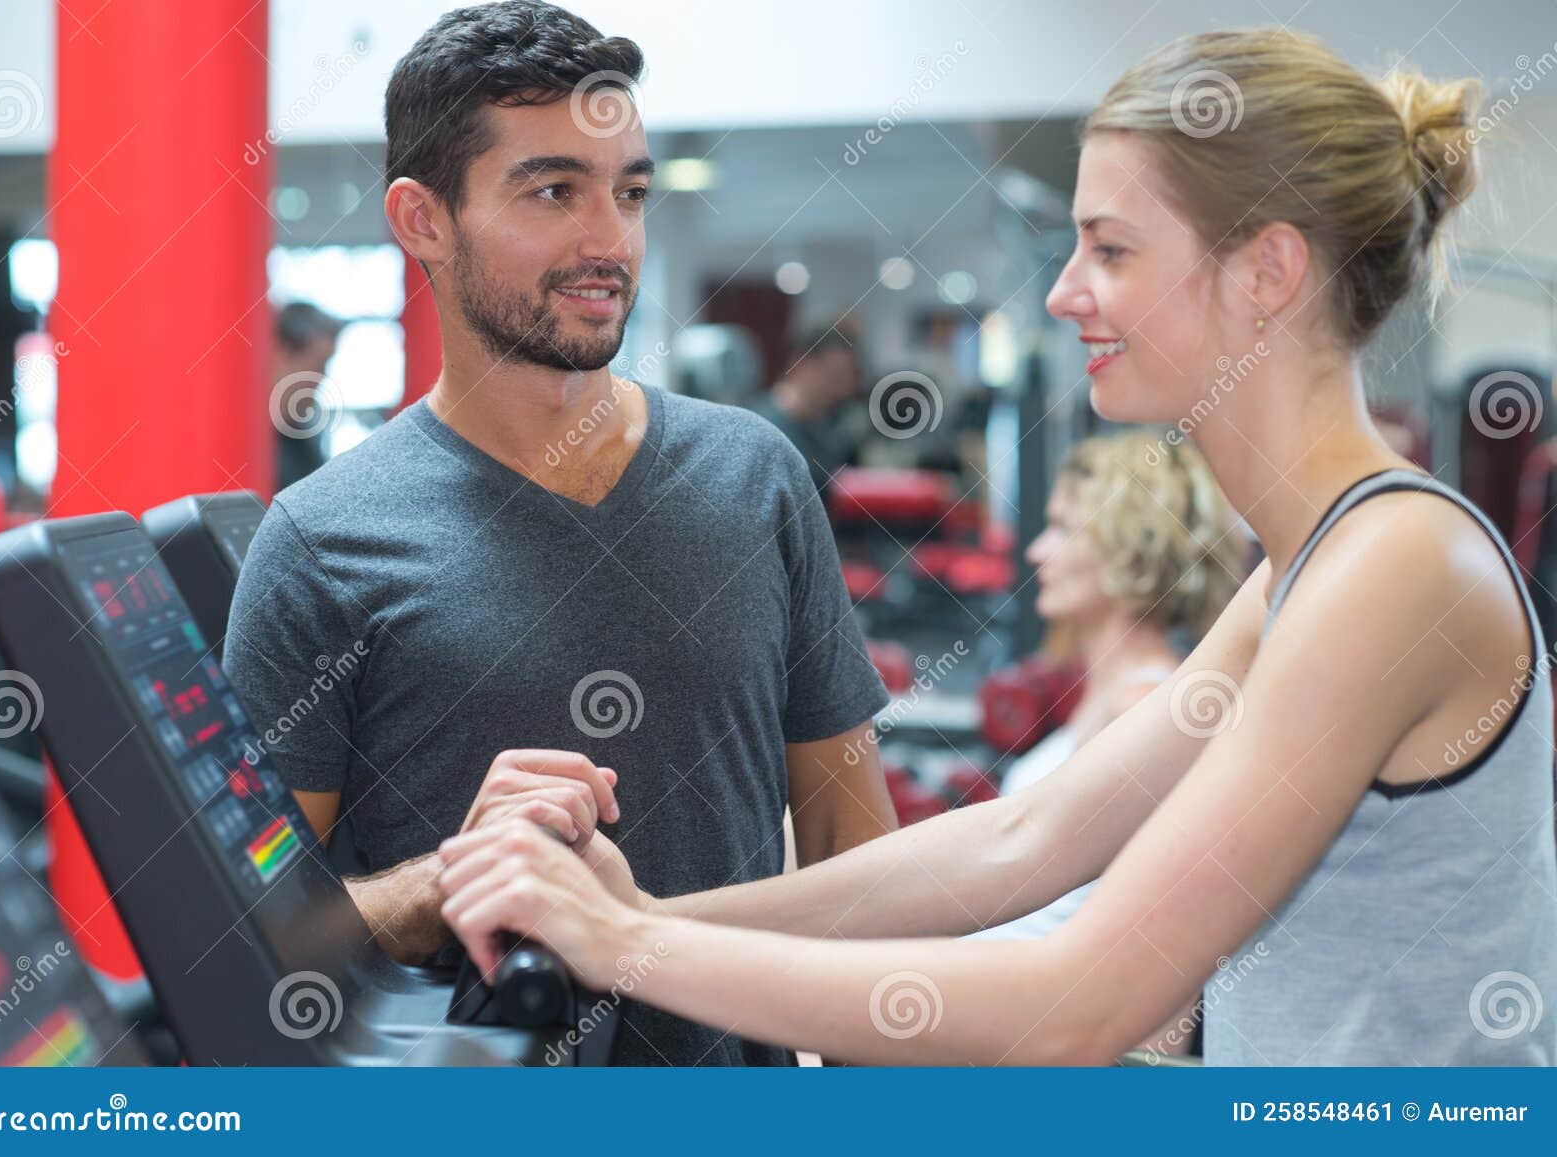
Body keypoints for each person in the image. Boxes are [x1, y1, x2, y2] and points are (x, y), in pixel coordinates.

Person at [437, 29, 1557, 1066]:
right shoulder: (1312, 565)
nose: (1067, 291)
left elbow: (1082, 1000)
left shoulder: (1393, 566)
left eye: (1110, 249)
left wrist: (620, 945)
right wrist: (639, 921)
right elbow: (1022, 840)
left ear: (1265, 271)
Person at [224, 1, 897, 1067]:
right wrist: (451, 876)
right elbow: (258, 945)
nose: (607, 240)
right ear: (422, 220)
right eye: (552, 191)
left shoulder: (755, 475)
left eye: (627, 191)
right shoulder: (320, 540)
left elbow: (856, 853)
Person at [971, 431, 1243, 1055]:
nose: (1037, 551)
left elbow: (1165, 950)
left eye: (1063, 528)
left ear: (1129, 548)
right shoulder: (1109, 696)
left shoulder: (1145, 706)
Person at [751, 327, 862, 494]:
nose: (844, 388)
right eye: (833, 375)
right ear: (801, 363)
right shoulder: (761, 426)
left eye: (846, 376)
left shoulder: (832, 431)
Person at [269, 302, 343, 491]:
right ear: (284, 354)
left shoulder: (303, 437)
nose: (323, 377)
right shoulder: (248, 437)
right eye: (320, 364)